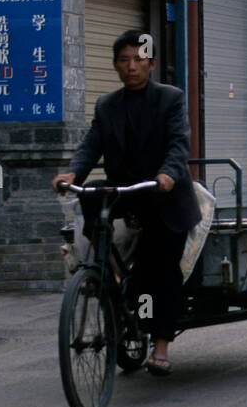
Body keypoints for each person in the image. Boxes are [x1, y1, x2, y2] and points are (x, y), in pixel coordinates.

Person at [52, 31, 200, 376]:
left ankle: (160, 345)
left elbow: (179, 144)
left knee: (162, 268)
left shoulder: (170, 99)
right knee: (93, 196)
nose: (131, 67)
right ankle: (110, 271)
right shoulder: (107, 105)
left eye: (138, 60)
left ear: (151, 63)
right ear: (115, 64)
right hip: (126, 191)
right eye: (123, 60)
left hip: (164, 196)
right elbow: (92, 145)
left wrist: (167, 174)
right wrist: (72, 173)